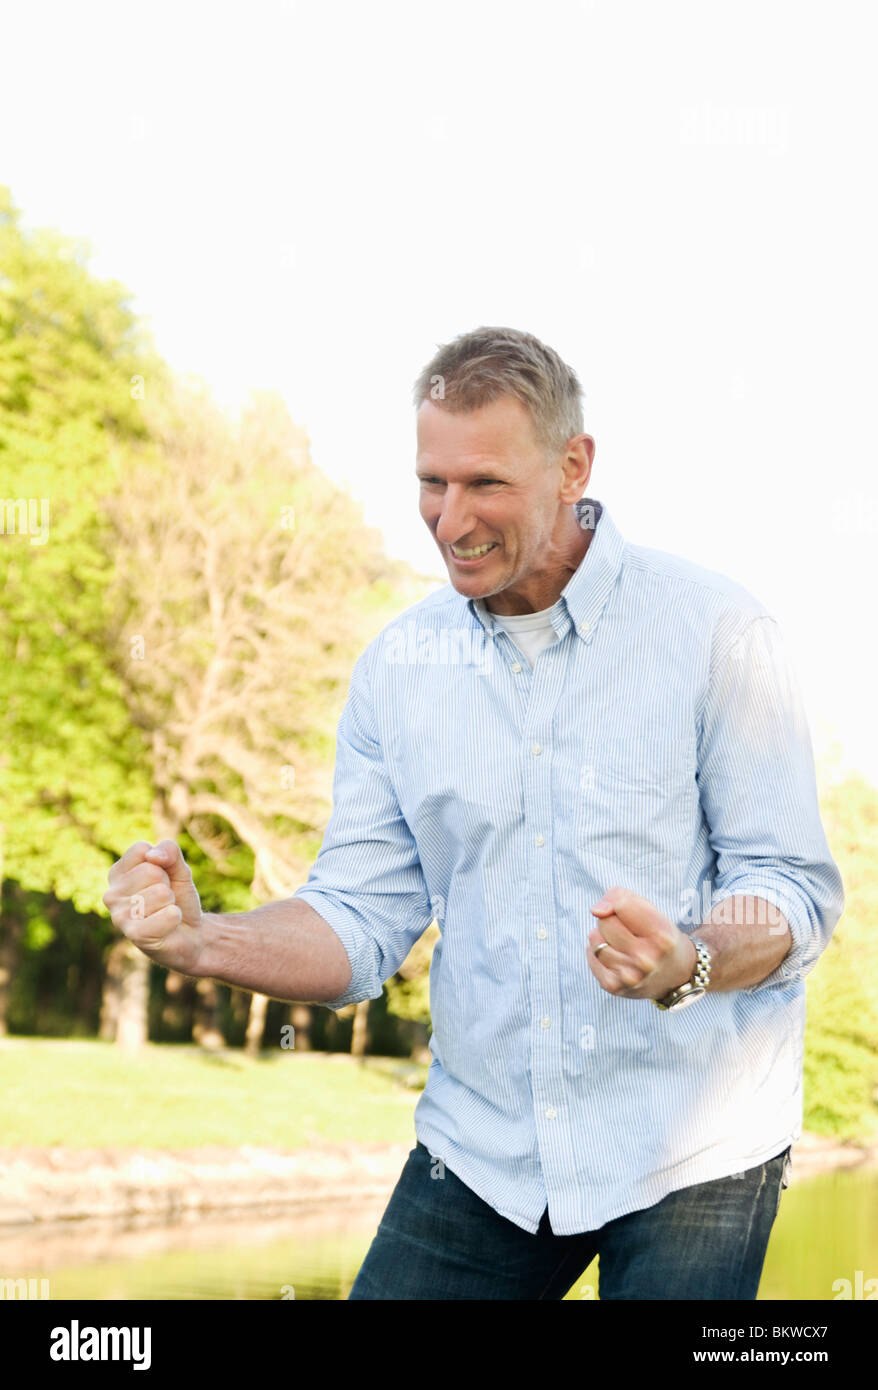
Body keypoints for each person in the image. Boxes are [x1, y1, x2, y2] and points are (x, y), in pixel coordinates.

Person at [103, 326, 844, 1300]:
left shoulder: (713, 631)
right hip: (480, 1147)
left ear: (572, 465)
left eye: (484, 484)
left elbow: (788, 890)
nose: (450, 521)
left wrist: (685, 961)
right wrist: (204, 941)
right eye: (430, 483)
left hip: (692, 1146)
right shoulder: (396, 673)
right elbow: (357, 922)